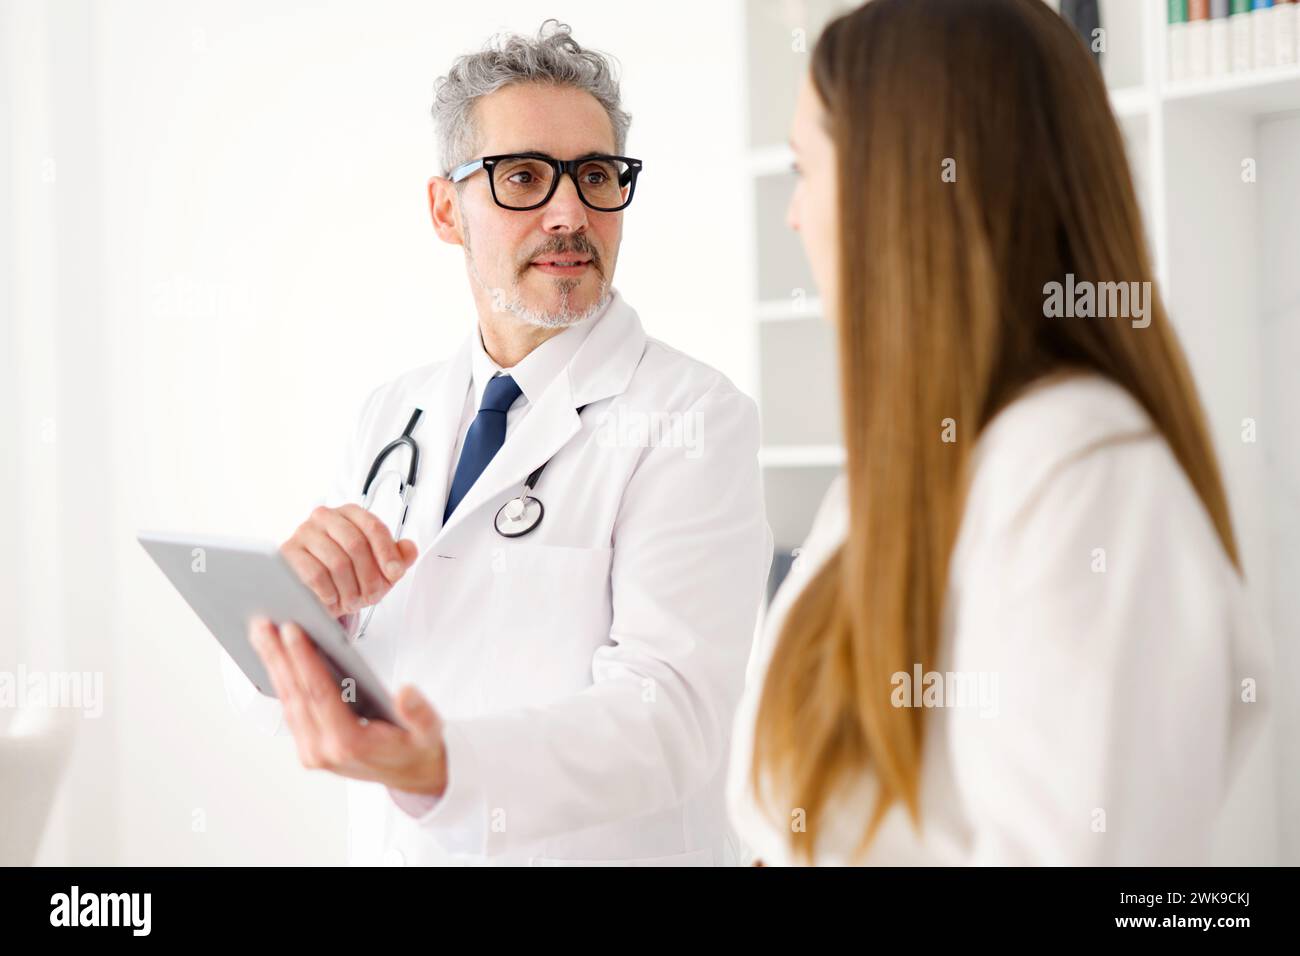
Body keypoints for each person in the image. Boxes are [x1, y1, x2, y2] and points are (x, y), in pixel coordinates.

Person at [727, 0, 1268, 865]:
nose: (793, 216)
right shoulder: (893, 479)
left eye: (805, 169)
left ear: (897, 184)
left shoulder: (1084, 482)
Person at [227, 20, 773, 866]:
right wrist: (304, 618)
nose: (570, 213)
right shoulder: (390, 416)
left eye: (596, 176)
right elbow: (318, 706)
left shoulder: (691, 417)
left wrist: (447, 767)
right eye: (523, 176)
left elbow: (672, 717)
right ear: (447, 209)